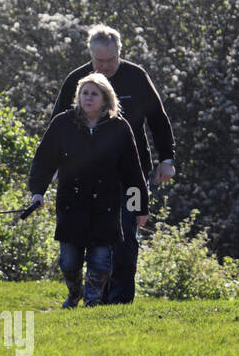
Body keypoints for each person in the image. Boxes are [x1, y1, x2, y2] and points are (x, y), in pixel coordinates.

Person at [50, 25, 175, 303]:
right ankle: (93, 295)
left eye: (110, 61)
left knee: (126, 235)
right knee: (94, 236)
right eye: (98, 61)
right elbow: (57, 127)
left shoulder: (136, 78)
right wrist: (56, 166)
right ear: (90, 55)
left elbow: (158, 119)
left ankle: (118, 300)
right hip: (86, 177)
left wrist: (167, 159)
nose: (104, 67)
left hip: (132, 173)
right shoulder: (77, 81)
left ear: (119, 53)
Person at [29, 74, 149, 308]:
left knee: (101, 261)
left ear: (106, 99)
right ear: (78, 97)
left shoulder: (119, 128)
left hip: (106, 206)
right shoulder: (62, 124)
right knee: (69, 262)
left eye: (94, 94)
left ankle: (92, 302)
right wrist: (37, 192)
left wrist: (139, 208)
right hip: (71, 204)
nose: (88, 98)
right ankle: (75, 292)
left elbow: (132, 171)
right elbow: (44, 160)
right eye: (84, 93)